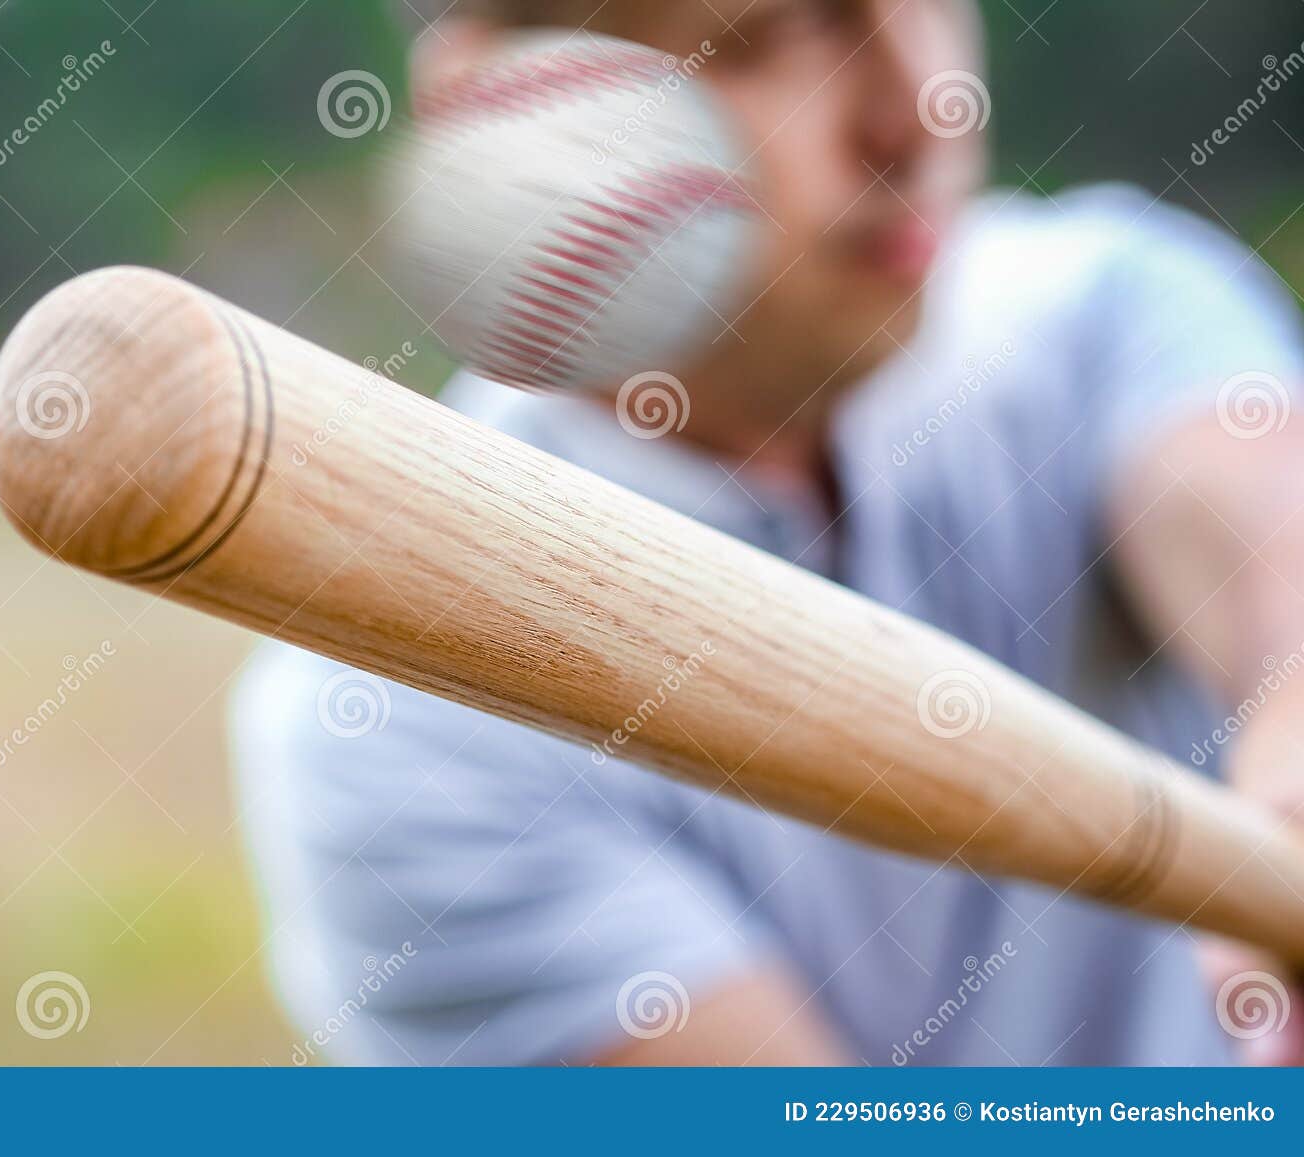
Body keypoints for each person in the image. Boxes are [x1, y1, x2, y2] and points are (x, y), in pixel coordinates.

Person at [232, 0, 1304, 1065]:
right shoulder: (400, 730)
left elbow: (1264, 545)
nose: (918, 113)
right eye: (775, 32)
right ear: (502, 102)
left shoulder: (1108, 299)